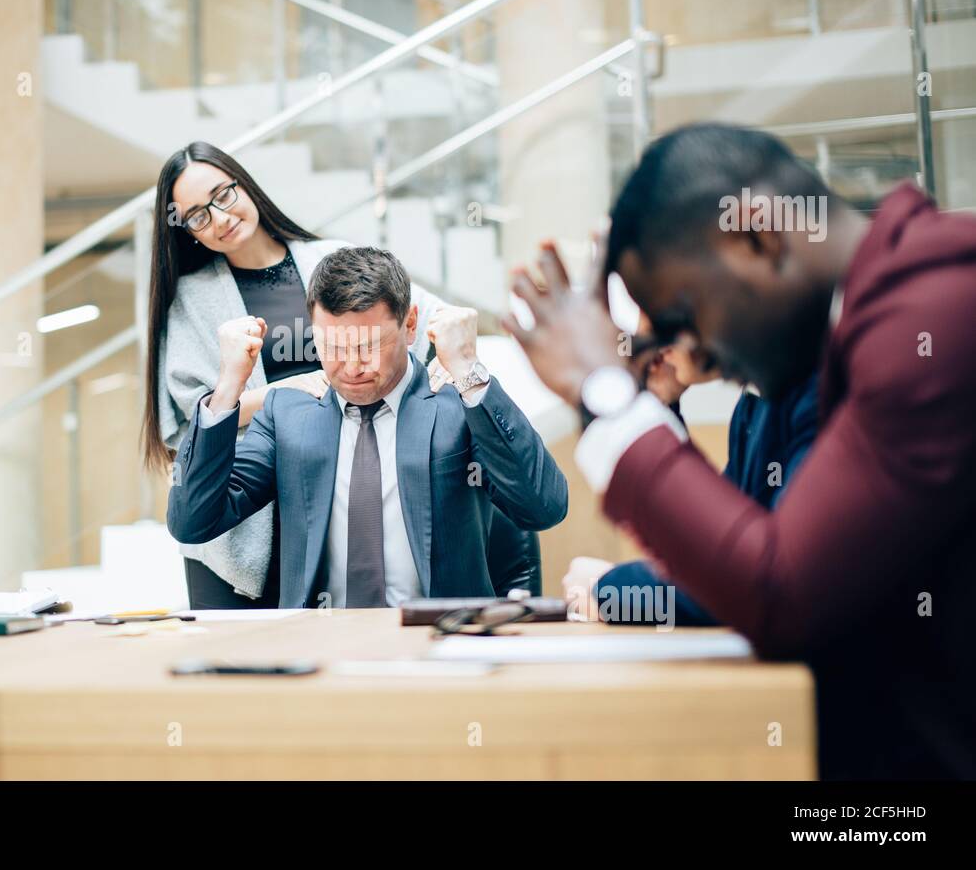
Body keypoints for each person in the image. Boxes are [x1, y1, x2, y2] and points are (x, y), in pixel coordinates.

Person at [503, 122, 976, 779]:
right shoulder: (873, 322)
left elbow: (783, 593)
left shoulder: (927, 313)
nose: (691, 350)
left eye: (681, 315)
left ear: (757, 236)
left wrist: (605, 394)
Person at [143, 141, 455, 608]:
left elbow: (436, 322)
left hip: (341, 485)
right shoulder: (189, 298)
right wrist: (284, 393)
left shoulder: (333, 259)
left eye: (222, 196)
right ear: (185, 230)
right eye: (197, 216)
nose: (219, 218)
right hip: (239, 514)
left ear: (242, 183)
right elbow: (198, 419)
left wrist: (448, 375)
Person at [167, 246, 568, 608]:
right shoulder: (287, 415)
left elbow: (543, 505)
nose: (352, 367)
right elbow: (193, 521)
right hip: (321, 657)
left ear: (410, 325)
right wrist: (226, 391)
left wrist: (467, 367)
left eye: (369, 346)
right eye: (333, 347)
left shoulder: (456, 404)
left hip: (440, 649)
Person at [565, 315, 819, 626]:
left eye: (664, 307)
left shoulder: (813, 387)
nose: (647, 334)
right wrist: (661, 403)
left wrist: (610, 591)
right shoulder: (755, 400)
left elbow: (751, 586)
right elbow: (709, 547)